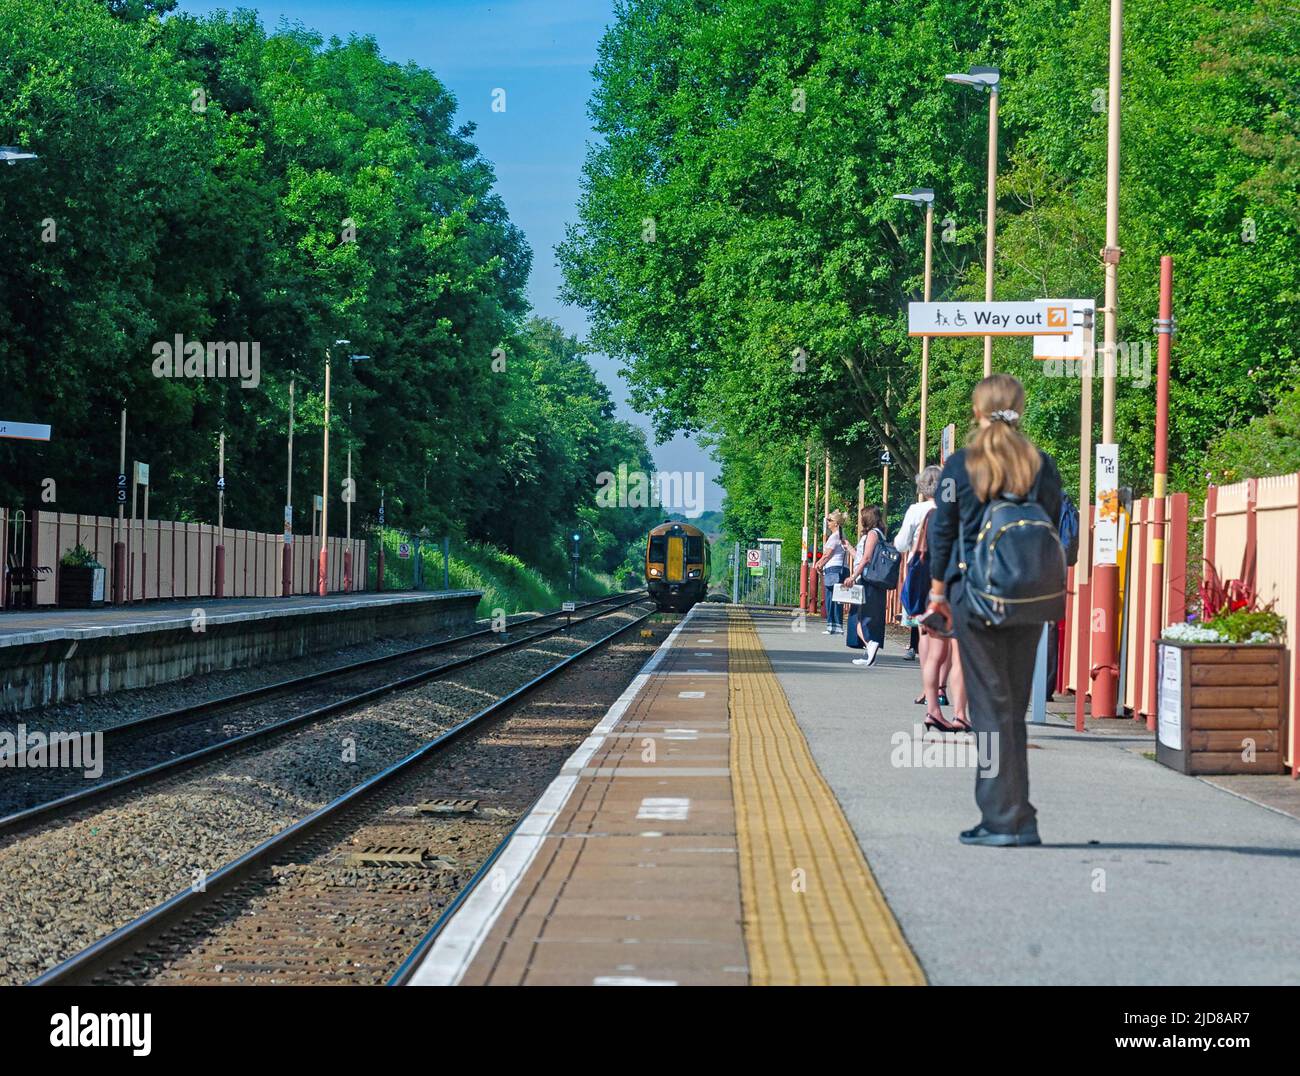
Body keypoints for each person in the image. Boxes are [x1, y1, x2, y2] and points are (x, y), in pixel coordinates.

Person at [926, 374, 1066, 847]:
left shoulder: (961, 466)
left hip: (976, 597)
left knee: (990, 708)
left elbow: (943, 533)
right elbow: (1050, 525)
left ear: (978, 411)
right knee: (1013, 707)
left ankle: (1002, 819)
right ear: (1019, 408)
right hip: (1029, 600)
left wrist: (938, 593)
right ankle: (1019, 814)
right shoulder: (1041, 465)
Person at [895, 465, 966, 732]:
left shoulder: (917, 511)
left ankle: (930, 696)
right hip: (951, 581)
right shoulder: (956, 513)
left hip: (922, 578)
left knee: (927, 639)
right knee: (954, 647)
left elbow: (901, 544)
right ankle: (949, 697)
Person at [844, 505, 887, 666]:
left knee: (860, 618)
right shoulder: (879, 534)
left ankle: (871, 645)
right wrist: (849, 548)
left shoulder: (873, 534)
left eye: (863, 516)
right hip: (869, 579)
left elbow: (867, 558)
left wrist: (853, 577)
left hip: (867, 580)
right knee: (861, 617)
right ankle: (870, 653)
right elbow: (862, 557)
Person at [814, 509, 850, 634]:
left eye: (830, 520)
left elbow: (827, 555)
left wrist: (819, 564)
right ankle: (834, 626)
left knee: (832, 598)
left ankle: (834, 626)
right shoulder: (841, 535)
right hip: (839, 569)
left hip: (834, 569)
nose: (828, 522)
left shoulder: (835, 537)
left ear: (836, 523)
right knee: (835, 598)